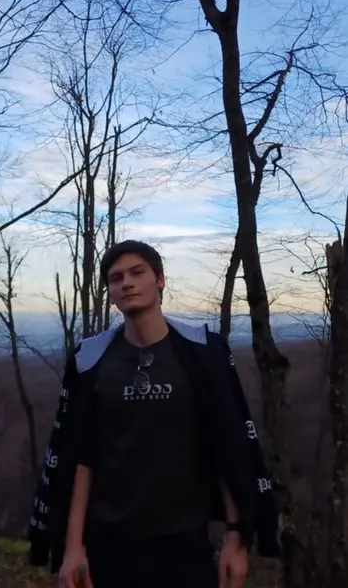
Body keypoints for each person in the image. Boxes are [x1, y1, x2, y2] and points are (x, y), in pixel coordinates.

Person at [29, 240, 280, 588]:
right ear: (110, 292)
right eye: (116, 278)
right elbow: (81, 458)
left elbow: (227, 446)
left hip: (186, 545)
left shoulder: (201, 355)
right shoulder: (91, 361)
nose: (127, 283)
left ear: (160, 280)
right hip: (109, 545)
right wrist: (73, 549)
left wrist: (236, 539)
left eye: (137, 273)